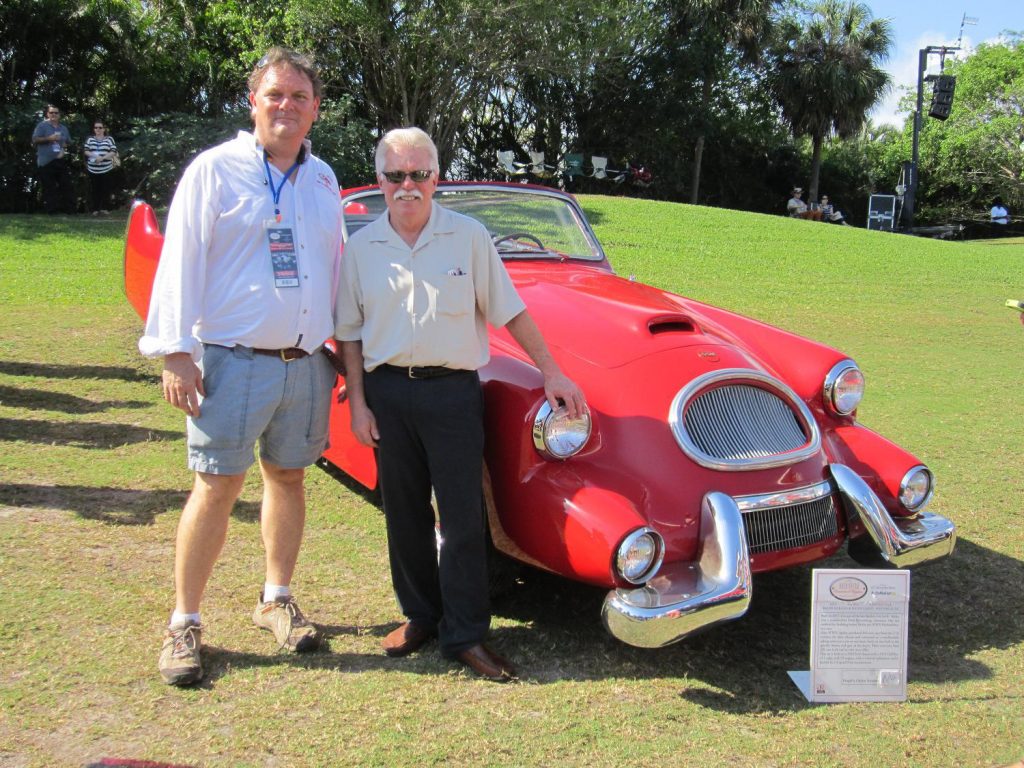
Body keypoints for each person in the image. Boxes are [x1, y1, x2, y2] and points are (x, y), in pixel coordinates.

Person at [336, 127, 586, 682]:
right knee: (404, 513)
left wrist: (551, 371)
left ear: (436, 178)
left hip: (452, 392)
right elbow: (349, 332)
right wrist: (358, 403)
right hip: (387, 392)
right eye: (395, 175)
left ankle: (466, 634)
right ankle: (421, 616)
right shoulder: (361, 247)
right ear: (380, 180)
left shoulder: (468, 237)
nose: (407, 185)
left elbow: (509, 309)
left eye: (418, 174)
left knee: (463, 517)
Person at [139, 47, 342, 686]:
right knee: (217, 485)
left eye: (300, 97)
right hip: (231, 360)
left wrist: (342, 351)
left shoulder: (323, 179)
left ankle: (276, 599)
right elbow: (180, 259)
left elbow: (334, 266)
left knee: (288, 476)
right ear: (253, 102)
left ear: (316, 109)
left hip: (305, 363)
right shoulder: (215, 170)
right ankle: (184, 623)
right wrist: (176, 351)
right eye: (275, 94)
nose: (287, 106)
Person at [31, 105, 75, 214]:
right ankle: (52, 211)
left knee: (66, 184)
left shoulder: (63, 128)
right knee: (49, 187)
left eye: (56, 113)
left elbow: (69, 142)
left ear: (59, 115)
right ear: (47, 114)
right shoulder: (42, 126)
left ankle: (70, 210)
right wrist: (49, 138)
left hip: (59, 159)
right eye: (51, 113)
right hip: (46, 161)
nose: (54, 114)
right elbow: (34, 140)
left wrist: (65, 145)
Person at [83, 120, 118, 214]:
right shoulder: (90, 139)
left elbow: (113, 151)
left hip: (106, 168)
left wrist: (102, 158)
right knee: (95, 189)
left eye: (100, 127)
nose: (98, 129)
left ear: (104, 129)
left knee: (106, 189)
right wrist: (95, 156)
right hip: (93, 169)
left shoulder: (109, 139)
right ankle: (95, 209)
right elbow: (86, 151)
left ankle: (105, 208)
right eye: (96, 127)